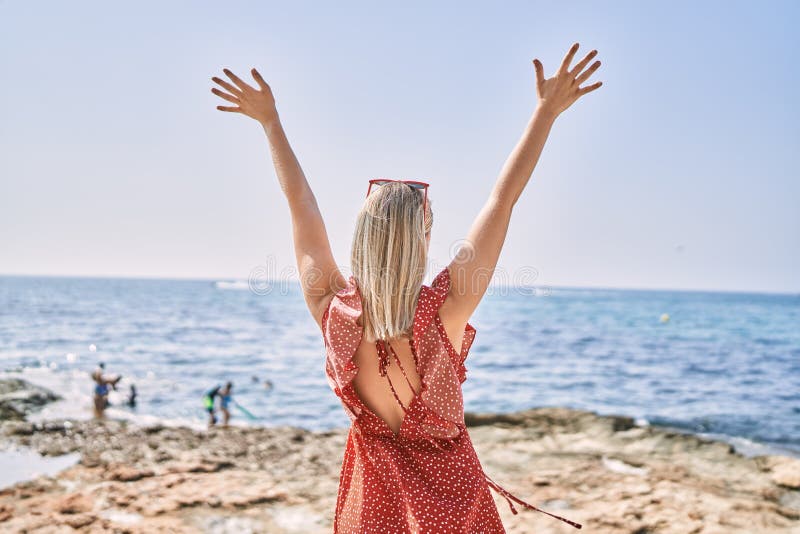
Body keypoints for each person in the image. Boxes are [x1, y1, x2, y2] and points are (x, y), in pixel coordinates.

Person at [211, 41, 600, 532]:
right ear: (424, 239)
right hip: (453, 504)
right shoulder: (447, 309)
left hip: (373, 505)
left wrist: (271, 123)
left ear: (363, 239)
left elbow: (302, 207)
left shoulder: (333, 311)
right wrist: (545, 113)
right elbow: (502, 201)